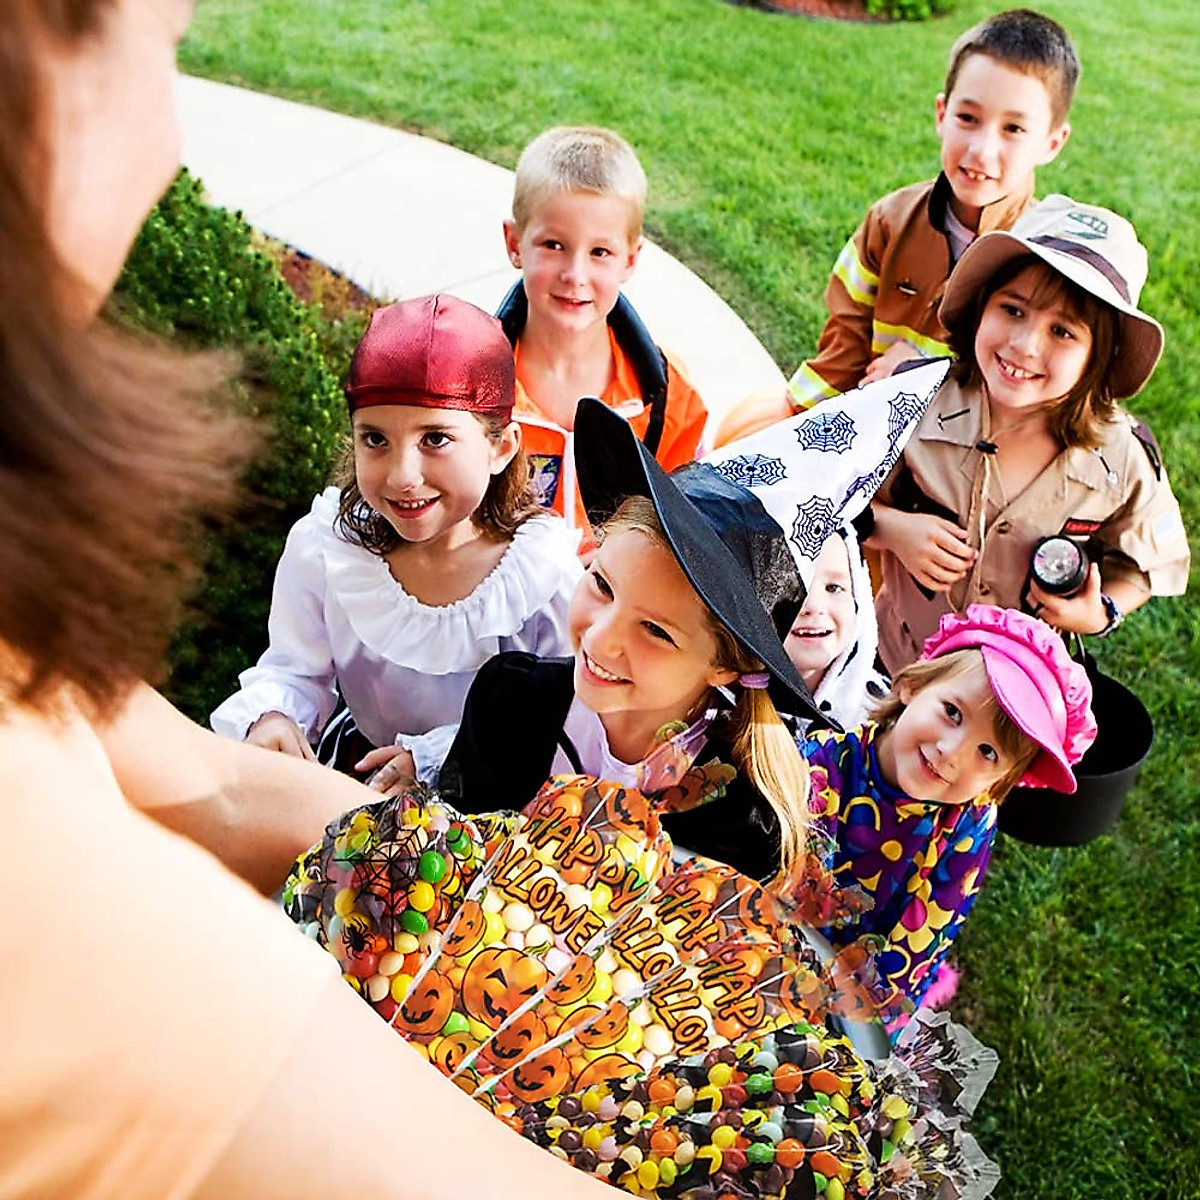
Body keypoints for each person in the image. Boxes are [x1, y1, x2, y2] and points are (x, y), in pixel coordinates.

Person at [0, 1, 613, 1194]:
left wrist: (459, 881)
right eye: (164, 42)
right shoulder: (59, 909)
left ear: (498, 445)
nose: (170, 143)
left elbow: (208, 782)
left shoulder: (537, 567)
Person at [432, 363, 945, 884]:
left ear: (727, 665)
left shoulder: (742, 822)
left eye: (656, 630)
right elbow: (445, 865)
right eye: (603, 585)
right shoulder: (510, 701)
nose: (604, 639)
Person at [210, 294, 580, 785]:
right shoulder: (326, 550)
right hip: (356, 782)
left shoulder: (544, 581)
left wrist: (441, 760)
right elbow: (295, 670)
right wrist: (273, 716)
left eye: (436, 439)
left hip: (491, 808)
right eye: (376, 439)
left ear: (500, 448)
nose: (403, 476)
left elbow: (563, 727)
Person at [714, 7, 1078, 446]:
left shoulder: (1042, 257)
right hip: (867, 421)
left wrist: (918, 371)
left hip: (957, 453)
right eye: (968, 118)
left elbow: (1026, 385)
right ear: (942, 115)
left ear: (1052, 143)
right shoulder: (889, 221)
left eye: (1014, 128)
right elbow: (845, 338)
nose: (982, 150)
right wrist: (799, 426)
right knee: (742, 438)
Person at [865, 195, 1190, 674]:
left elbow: (1144, 565)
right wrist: (892, 530)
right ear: (980, 306)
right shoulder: (913, 400)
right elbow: (830, 497)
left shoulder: (1121, 458)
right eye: (1013, 310)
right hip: (892, 656)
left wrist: (1101, 612)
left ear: (1099, 357)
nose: (1024, 345)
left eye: (1063, 332)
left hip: (1009, 694)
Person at [803, 604, 1096, 1031]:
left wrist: (866, 1031)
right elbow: (781, 880)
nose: (952, 752)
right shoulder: (823, 762)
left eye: (988, 752)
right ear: (913, 686)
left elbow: (922, 939)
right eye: (953, 712)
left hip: (867, 972)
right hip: (786, 944)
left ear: (1002, 781)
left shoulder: (969, 824)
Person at [496, 125, 708, 541]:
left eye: (600, 252)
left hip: (613, 600)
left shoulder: (667, 400)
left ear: (630, 260)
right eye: (553, 245)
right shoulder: (468, 388)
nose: (575, 275)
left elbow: (686, 530)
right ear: (514, 242)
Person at [784, 524, 890, 731]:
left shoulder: (884, 715)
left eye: (833, 588)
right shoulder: (713, 714)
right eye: (791, 586)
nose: (813, 607)